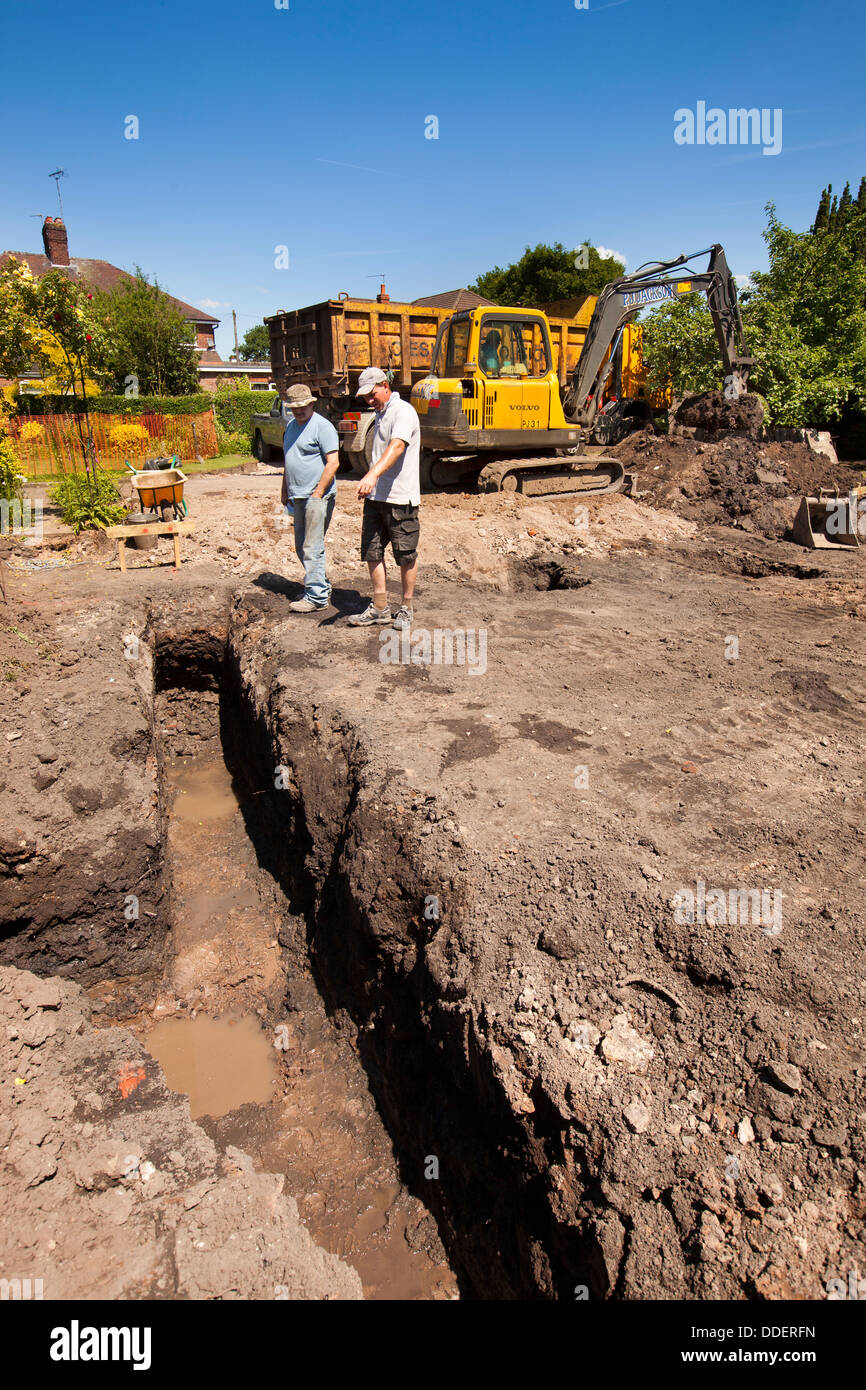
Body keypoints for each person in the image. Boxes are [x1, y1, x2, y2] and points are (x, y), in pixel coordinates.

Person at [347, 367, 420, 630]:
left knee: (405, 555)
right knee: (372, 551)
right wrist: (372, 482)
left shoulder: (403, 412)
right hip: (376, 497)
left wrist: (371, 475)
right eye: (365, 396)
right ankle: (379, 608)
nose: (369, 400)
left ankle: (407, 608)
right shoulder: (380, 413)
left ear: (384, 385)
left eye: (372, 393)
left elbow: (397, 446)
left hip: (401, 498)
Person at [280, 383, 340, 612]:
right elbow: (289, 460)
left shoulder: (322, 427)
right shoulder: (291, 427)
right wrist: (284, 489)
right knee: (301, 546)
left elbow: (333, 462)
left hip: (318, 496)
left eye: (302, 406)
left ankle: (316, 598)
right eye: (294, 407)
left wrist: (317, 493)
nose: (298, 411)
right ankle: (320, 585)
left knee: (312, 546)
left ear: (312, 404)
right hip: (298, 496)